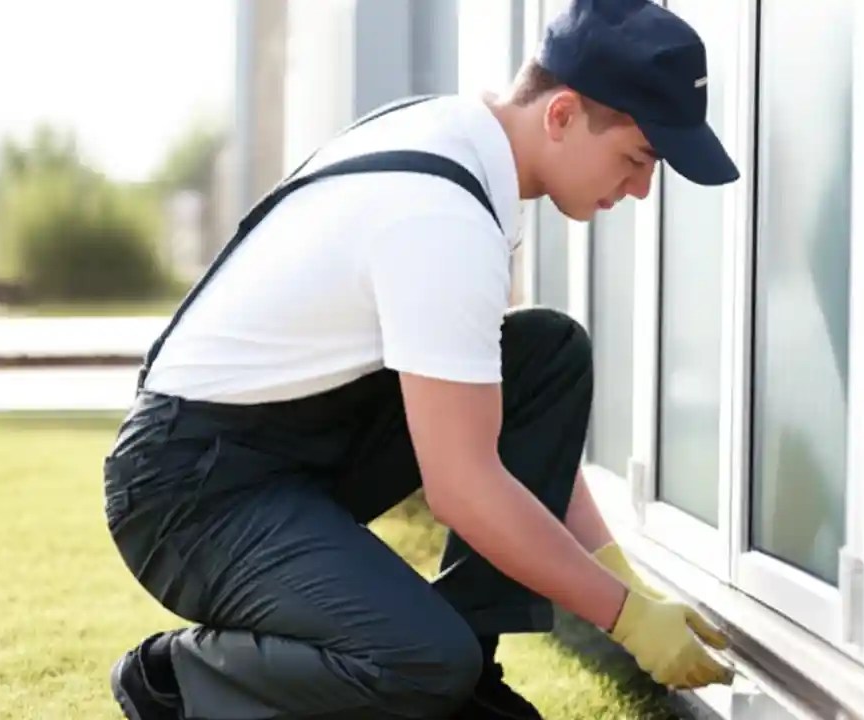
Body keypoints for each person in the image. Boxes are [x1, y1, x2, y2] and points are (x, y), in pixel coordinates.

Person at [102, 0, 740, 717]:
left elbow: (507, 427)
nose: (643, 188)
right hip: (189, 490)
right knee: (421, 657)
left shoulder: (462, 146)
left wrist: (619, 576)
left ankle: (466, 679)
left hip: (286, 447)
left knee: (545, 356)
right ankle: (177, 680)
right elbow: (463, 486)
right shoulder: (442, 216)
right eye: (637, 157)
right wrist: (626, 617)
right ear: (562, 115)